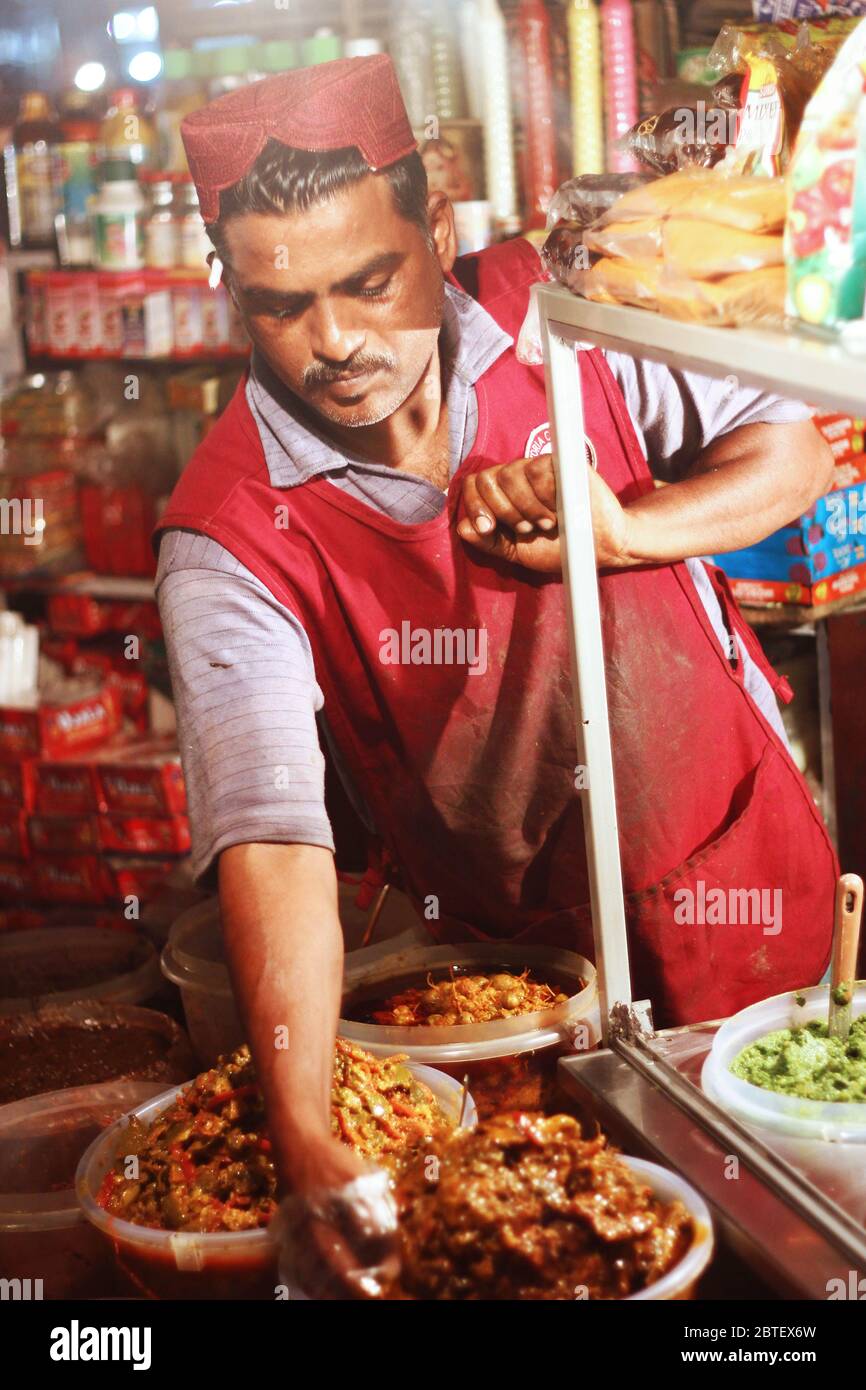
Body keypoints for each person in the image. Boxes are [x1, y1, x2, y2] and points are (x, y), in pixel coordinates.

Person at [155, 56, 837, 1296]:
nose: (336, 344)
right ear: (229, 288)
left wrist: (623, 528)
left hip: (744, 874)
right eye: (279, 304)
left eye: (370, 281)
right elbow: (271, 836)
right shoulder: (226, 531)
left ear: (439, 226)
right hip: (514, 988)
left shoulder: (562, 306)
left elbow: (790, 456)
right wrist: (303, 1125)